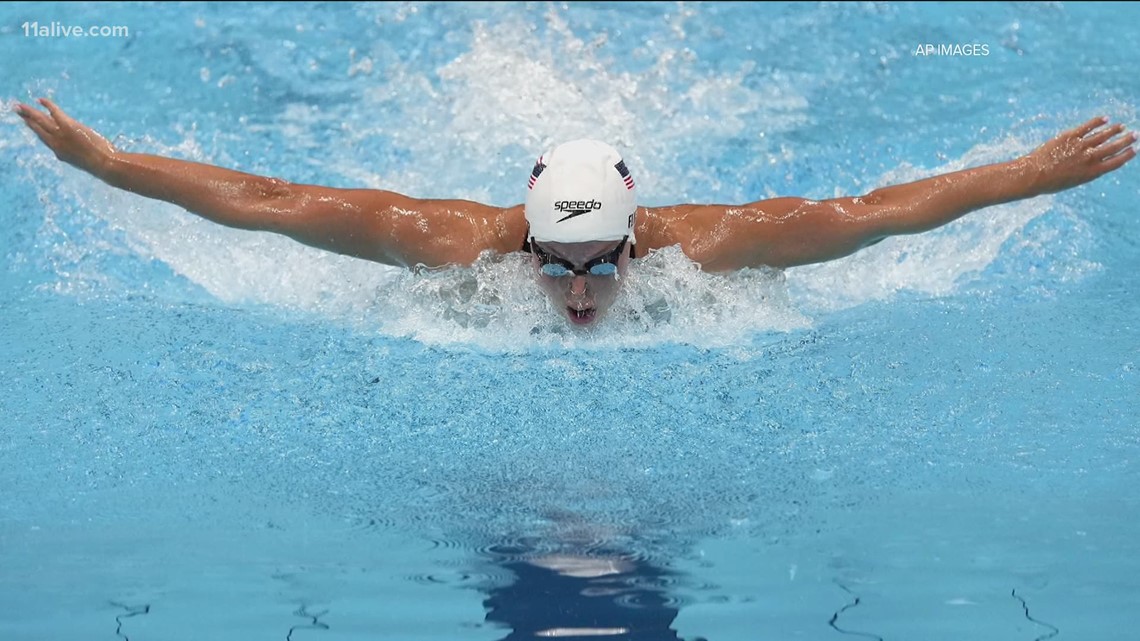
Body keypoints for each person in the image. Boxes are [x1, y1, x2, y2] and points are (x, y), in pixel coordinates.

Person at [15, 98, 1136, 327]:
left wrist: (1029, 175)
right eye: (558, 266)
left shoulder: (716, 245)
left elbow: (879, 211)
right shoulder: (449, 242)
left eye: (603, 263)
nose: (582, 292)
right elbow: (270, 201)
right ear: (524, 232)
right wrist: (109, 164)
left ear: (642, 234)